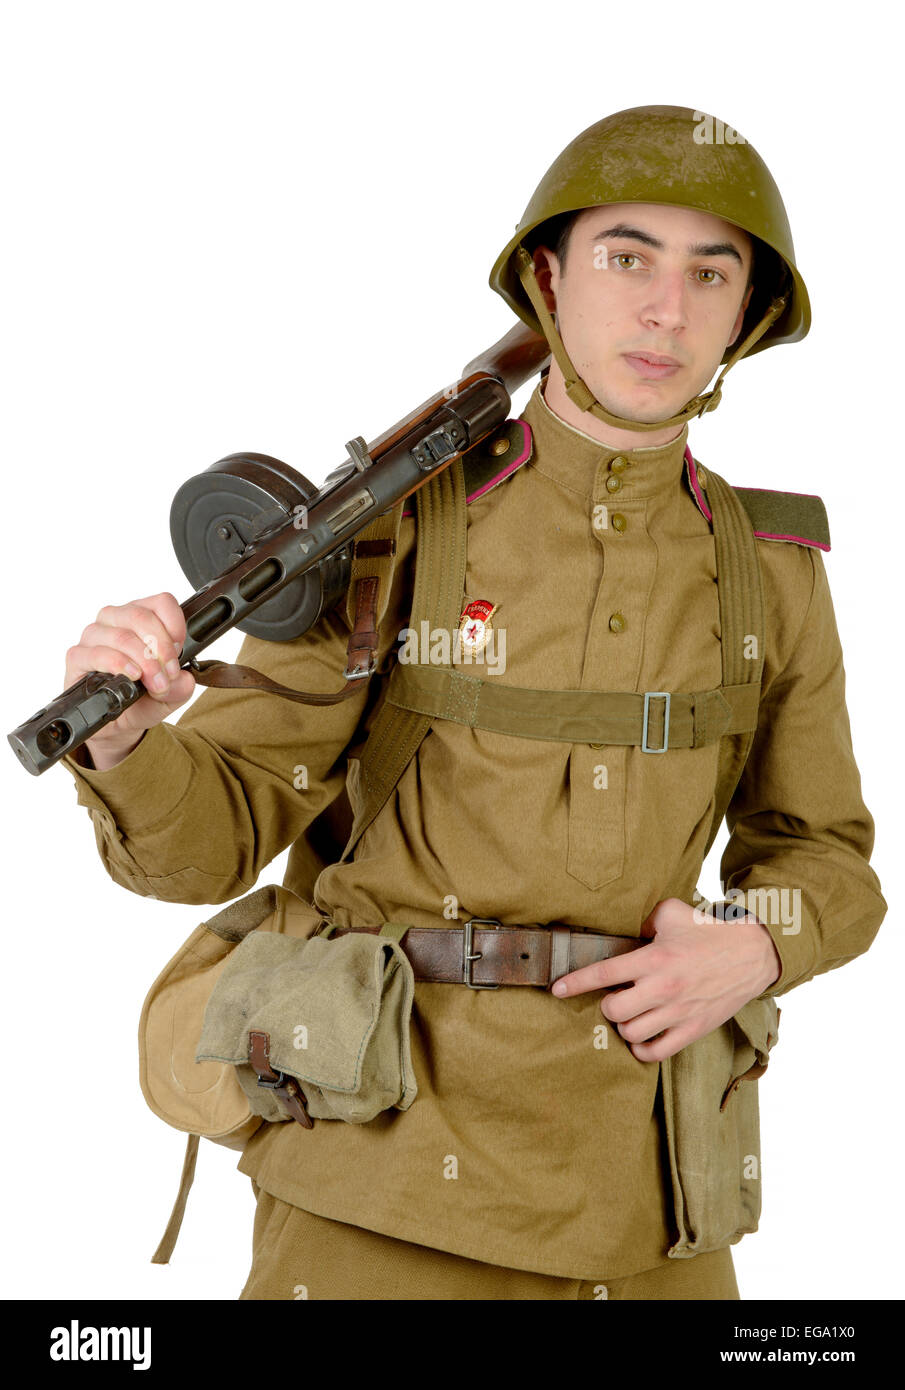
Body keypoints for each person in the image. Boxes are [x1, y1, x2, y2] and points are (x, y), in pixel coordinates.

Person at [59, 104, 887, 1301]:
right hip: (374, 1182)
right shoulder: (390, 532)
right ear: (546, 278)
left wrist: (758, 940)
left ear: (745, 315)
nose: (665, 308)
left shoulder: (769, 571)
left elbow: (824, 858)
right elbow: (216, 834)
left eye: (710, 273)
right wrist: (132, 737)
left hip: (649, 1205)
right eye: (626, 258)